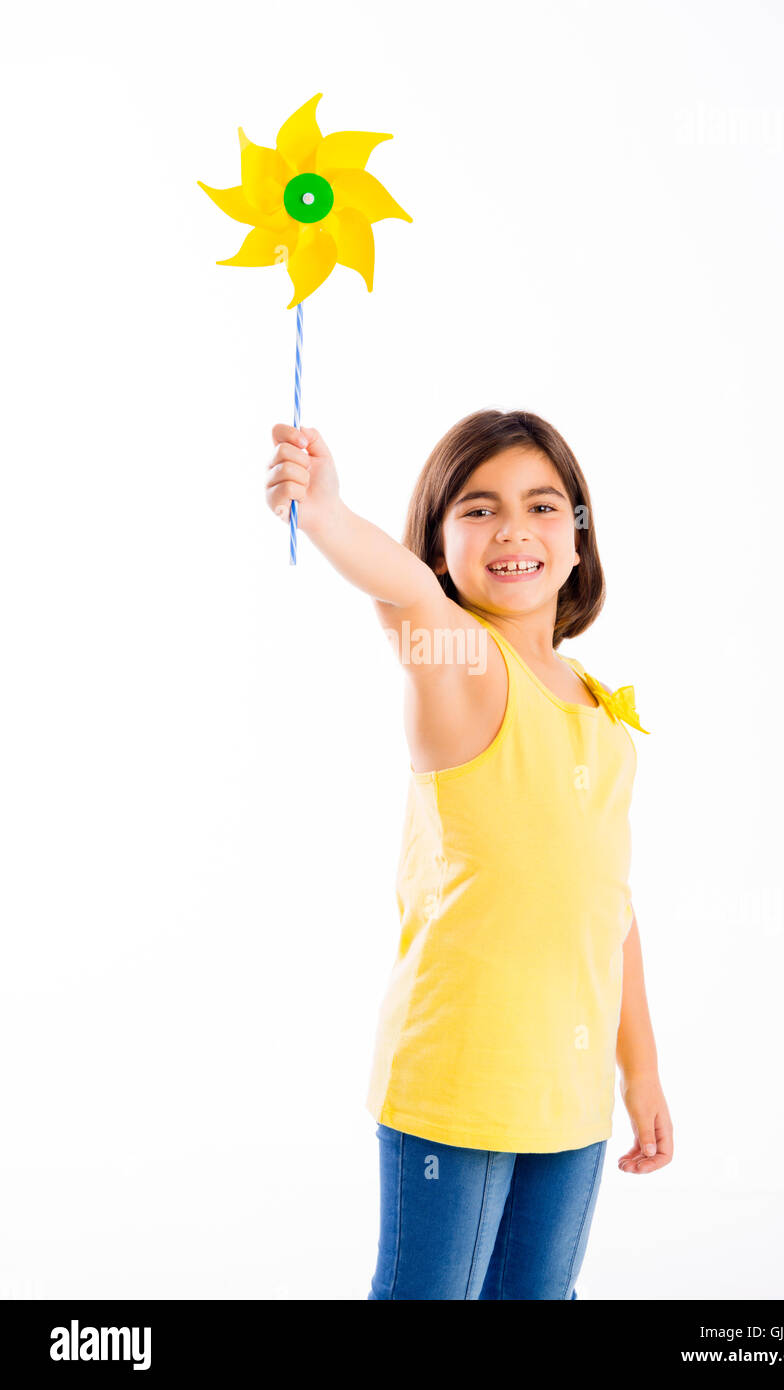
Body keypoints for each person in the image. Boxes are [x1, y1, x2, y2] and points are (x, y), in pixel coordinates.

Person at [265, 408, 673, 1299]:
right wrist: (326, 512)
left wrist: (639, 1071)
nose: (513, 528)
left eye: (541, 505)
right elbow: (407, 594)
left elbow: (612, 914)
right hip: (460, 1082)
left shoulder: (607, 717)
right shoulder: (461, 664)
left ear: (577, 539)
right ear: (440, 547)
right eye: (478, 509)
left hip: (570, 1098)